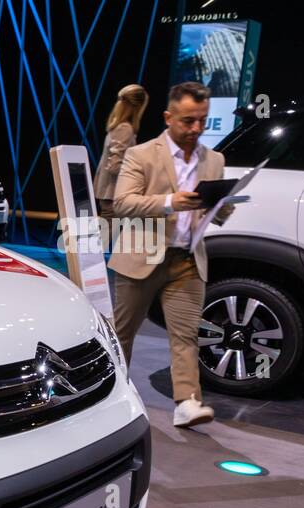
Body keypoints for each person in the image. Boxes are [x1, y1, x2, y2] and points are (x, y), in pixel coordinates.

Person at [110, 81, 232, 428]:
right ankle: (112, 394)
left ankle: (187, 402)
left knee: (186, 334)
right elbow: (122, 203)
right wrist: (169, 202)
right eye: (188, 121)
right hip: (142, 257)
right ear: (168, 116)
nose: (196, 128)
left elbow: (217, 212)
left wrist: (222, 205)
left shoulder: (215, 159)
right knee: (122, 333)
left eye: (202, 120)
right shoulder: (142, 154)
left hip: (187, 260)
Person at [94, 84, 148, 214]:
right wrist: (138, 175)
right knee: (110, 234)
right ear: (138, 107)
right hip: (113, 195)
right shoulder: (125, 129)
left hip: (110, 195)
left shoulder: (119, 127)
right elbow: (114, 166)